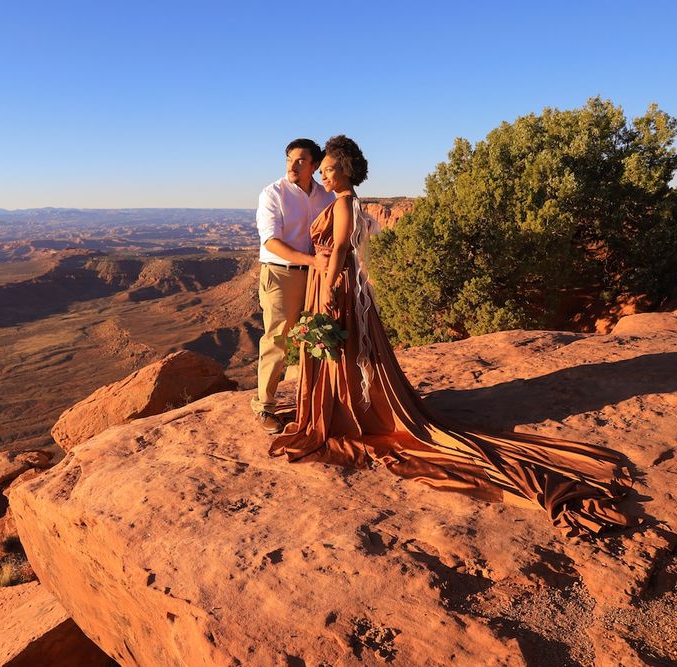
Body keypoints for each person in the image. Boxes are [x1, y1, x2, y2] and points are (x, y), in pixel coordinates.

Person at [270, 135, 632, 536]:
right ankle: (346, 406)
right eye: (321, 168)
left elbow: (339, 249)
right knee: (348, 350)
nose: (323, 172)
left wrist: (330, 296)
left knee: (344, 347)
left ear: (347, 170)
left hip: (333, 285)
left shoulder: (341, 203)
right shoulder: (343, 201)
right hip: (330, 282)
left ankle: (346, 413)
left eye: (329, 168)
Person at [252, 139, 336, 434]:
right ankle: (264, 406)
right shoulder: (273, 193)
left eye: (300, 160)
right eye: (289, 159)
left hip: (316, 276)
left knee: (313, 336)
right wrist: (313, 260)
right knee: (277, 338)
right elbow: (271, 241)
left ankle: (310, 400)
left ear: (314, 166)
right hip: (281, 274)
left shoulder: (326, 196)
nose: (292, 165)